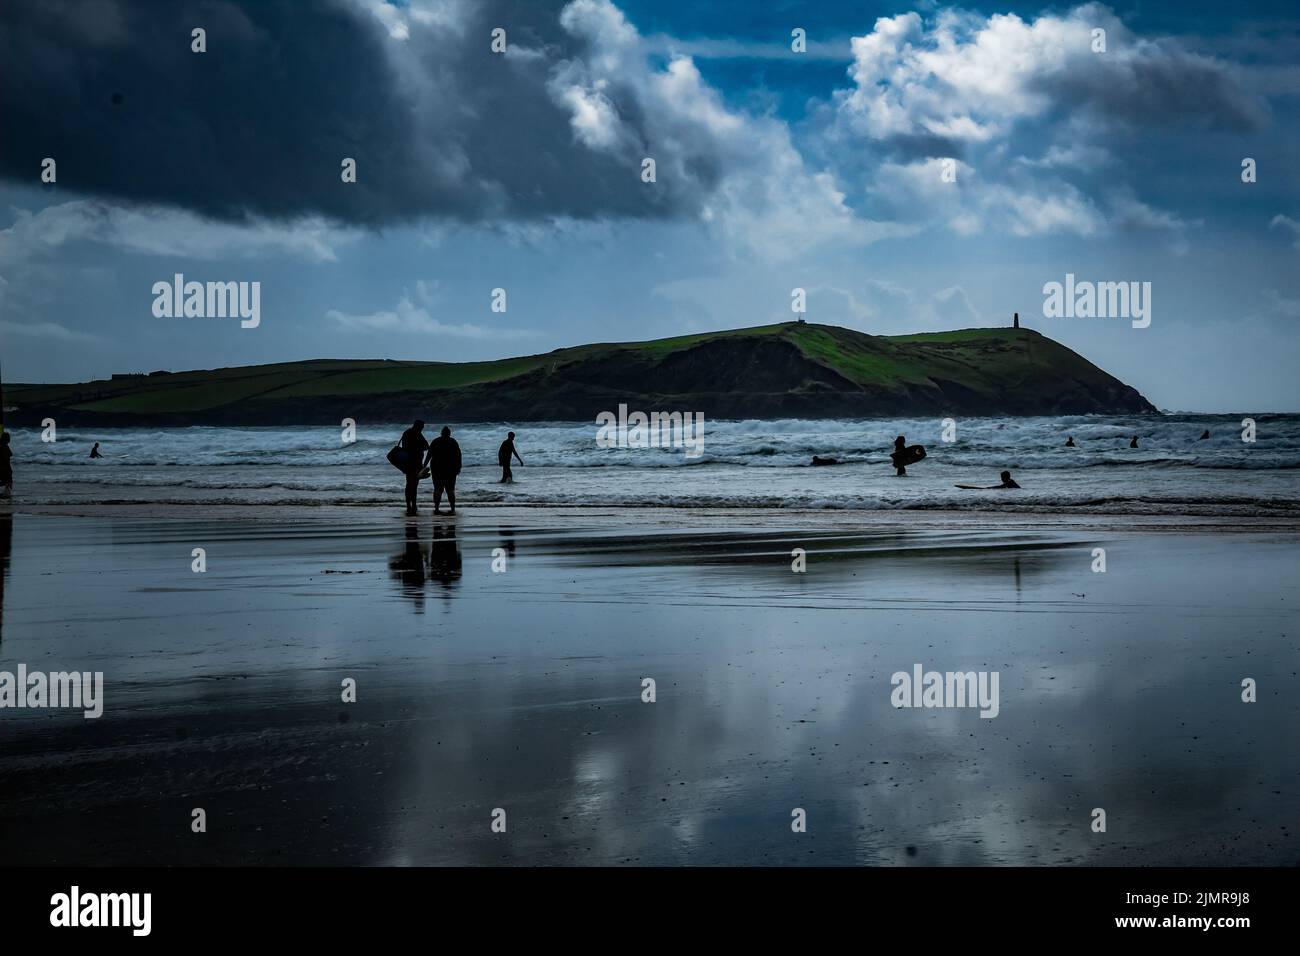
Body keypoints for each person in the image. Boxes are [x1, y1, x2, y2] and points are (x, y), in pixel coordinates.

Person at [425, 425, 462, 515]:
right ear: (449, 433)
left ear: (441, 433)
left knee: (437, 489)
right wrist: (458, 468)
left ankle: (437, 508)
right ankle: (452, 508)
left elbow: (429, 455)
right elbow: (458, 456)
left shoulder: (436, 441)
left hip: (437, 469)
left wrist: (424, 465)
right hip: (451, 470)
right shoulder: (453, 442)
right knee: (450, 490)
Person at [398, 420, 429, 515]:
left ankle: (408, 505)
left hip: (407, 462)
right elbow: (426, 446)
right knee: (414, 485)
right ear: (419, 426)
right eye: (422, 426)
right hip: (416, 463)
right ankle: (414, 505)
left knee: (408, 484)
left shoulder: (407, 433)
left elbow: (404, 446)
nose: (422, 428)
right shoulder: (417, 433)